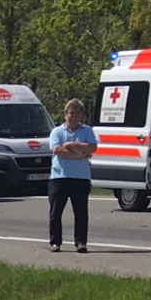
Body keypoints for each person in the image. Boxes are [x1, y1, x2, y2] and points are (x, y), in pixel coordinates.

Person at [48, 98, 97, 253]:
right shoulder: (57, 131)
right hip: (59, 177)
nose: (74, 116)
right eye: (71, 113)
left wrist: (73, 145)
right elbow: (57, 150)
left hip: (81, 178)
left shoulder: (87, 131)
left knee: (81, 213)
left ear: (81, 115)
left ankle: (81, 242)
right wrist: (79, 155)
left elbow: (92, 147)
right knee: (56, 213)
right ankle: (56, 243)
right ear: (66, 115)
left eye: (77, 113)